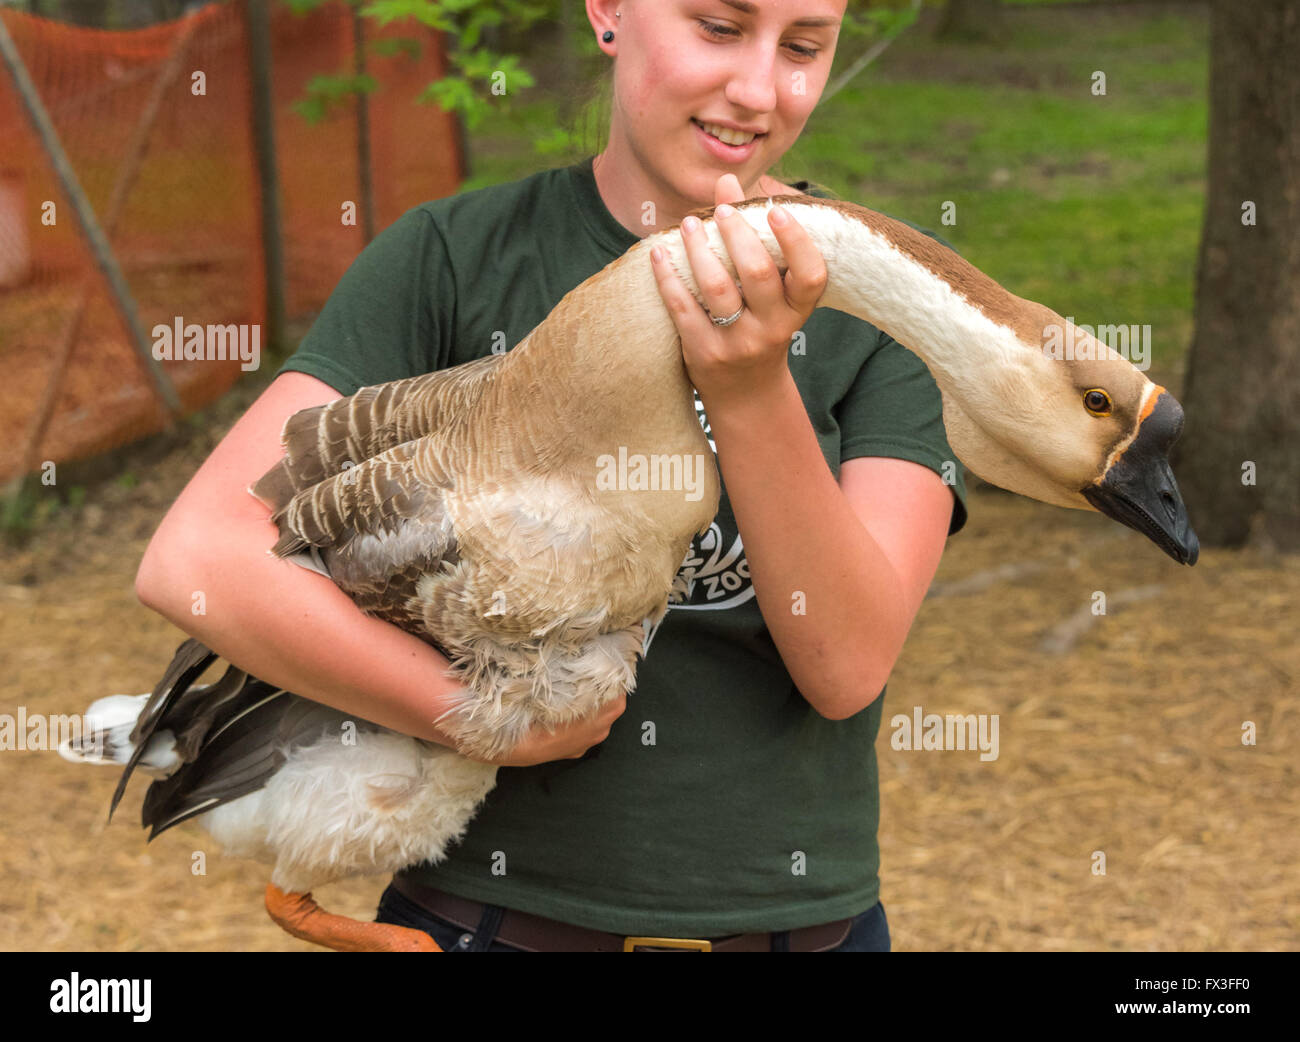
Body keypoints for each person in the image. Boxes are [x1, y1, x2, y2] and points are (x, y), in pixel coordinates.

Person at [136, 0, 967, 952]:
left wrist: (747, 390)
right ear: (611, 12)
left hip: (797, 927)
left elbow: (846, 667)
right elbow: (196, 558)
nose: (759, 89)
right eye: (720, 27)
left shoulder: (879, 296)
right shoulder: (454, 260)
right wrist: (495, 723)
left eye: (805, 47)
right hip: (494, 921)